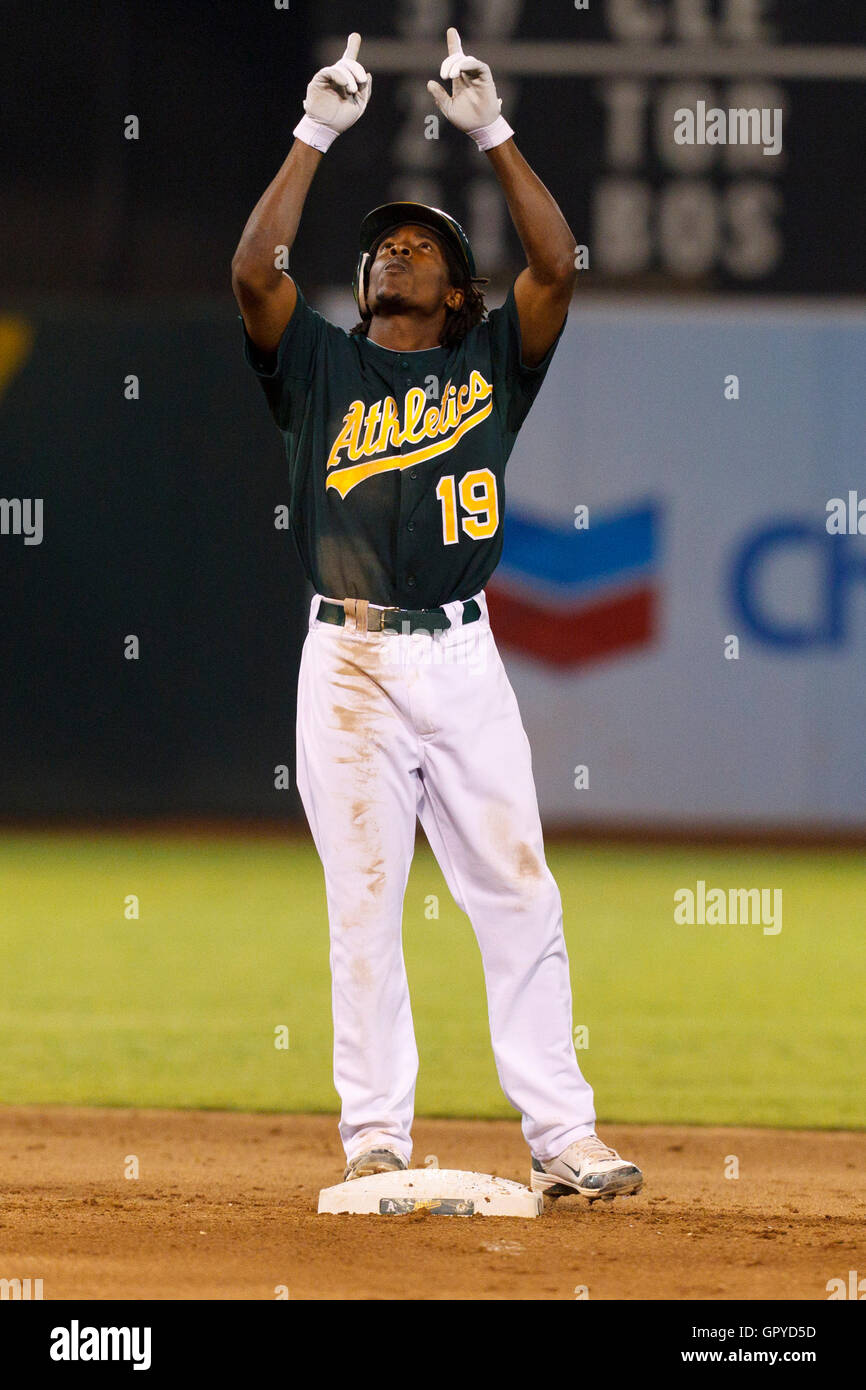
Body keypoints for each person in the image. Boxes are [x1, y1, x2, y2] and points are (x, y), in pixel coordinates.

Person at [231, 28, 643, 1203]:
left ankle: (562, 1136)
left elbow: (558, 265)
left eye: (418, 248)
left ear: (457, 292)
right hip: (347, 659)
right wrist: (314, 134)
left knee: (514, 885)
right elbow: (255, 271)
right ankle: (374, 1137)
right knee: (362, 902)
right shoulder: (314, 368)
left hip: (462, 654)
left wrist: (493, 130)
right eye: (381, 248)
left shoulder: (487, 370)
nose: (394, 253)